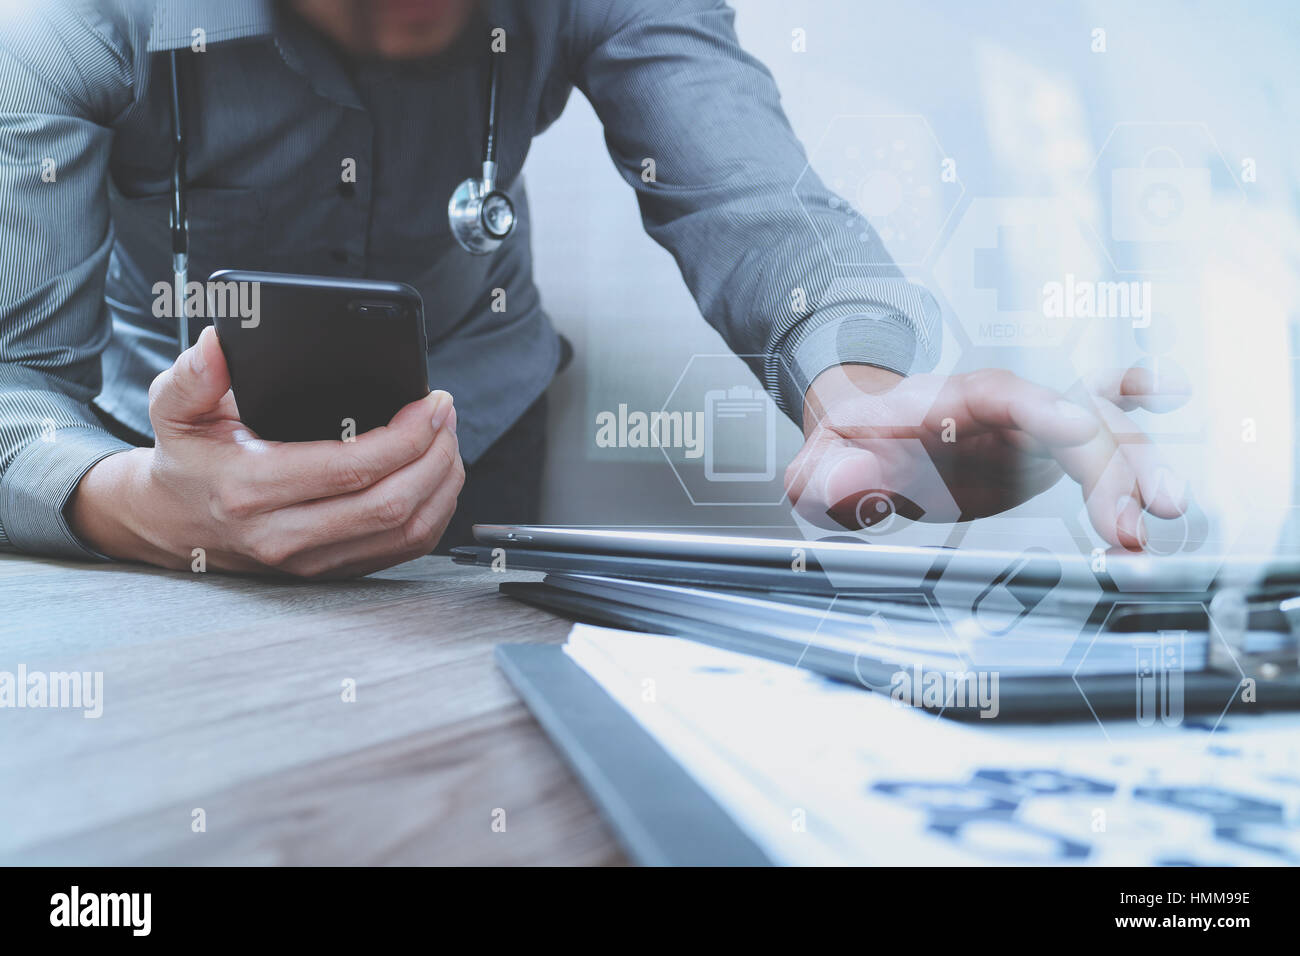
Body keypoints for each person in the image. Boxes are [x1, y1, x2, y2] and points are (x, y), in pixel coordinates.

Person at [0, 0, 1183, 579]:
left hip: (475, 430)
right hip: (140, 446)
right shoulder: (64, 23)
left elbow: (750, 201)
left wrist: (864, 389)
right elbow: (12, 392)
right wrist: (140, 505)